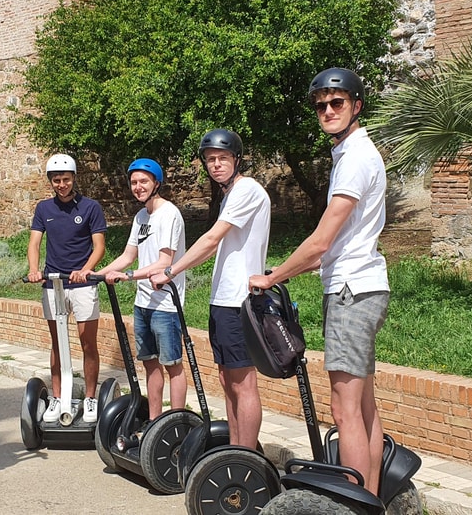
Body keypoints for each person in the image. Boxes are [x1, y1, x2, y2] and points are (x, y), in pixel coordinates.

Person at [248, 67, 389, 494]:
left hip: (352, 291)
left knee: (344, 410)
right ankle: (370, 499)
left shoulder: (356, 159)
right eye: (321, 105)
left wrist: (272, 277)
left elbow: (321, 243)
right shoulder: (352, 155)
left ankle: (354, 502)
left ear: (356, 106)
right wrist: (293, 269)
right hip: (361, 286)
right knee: (364, 407)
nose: (328, 110)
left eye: (337, 102)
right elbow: (331, 248)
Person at [150, 129, 270, 448]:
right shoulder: (230, 194)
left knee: (243, 383)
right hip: (223, 299)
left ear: (237, 159)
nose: (215, 165)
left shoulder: (246, 190)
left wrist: (171, 270)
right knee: (226, 379)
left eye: (222, 158)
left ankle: (246, 457)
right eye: (210, 160)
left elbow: (211, 239)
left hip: (240, 301)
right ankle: (234, 449)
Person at [95, 158, 188, 419]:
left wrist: (128, 276)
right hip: (143, 303)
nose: (138, 187)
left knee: (173, 366)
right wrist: (95, 274)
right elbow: (127, 255)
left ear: (156, 183)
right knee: (150, 365)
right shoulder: (140, 216)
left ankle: (175, 423)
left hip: (166, 304)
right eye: (134, 182)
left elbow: (164, 261)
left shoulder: (169, 214)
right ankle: (154, 422)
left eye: (143, 181)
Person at [27, 154, 107, 424]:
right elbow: (35, 243)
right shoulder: (43, 209)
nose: (61, 184)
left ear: (74, 178)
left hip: (82, 284)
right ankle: (58, 397)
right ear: (51, 181)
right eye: (57, 180)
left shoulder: (90, 207)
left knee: (87, 343)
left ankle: (91, 398)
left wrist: (86, 269)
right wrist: (34, 269)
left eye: (66, 179)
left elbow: (99, 247)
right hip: (53, 283)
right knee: (57, 344)